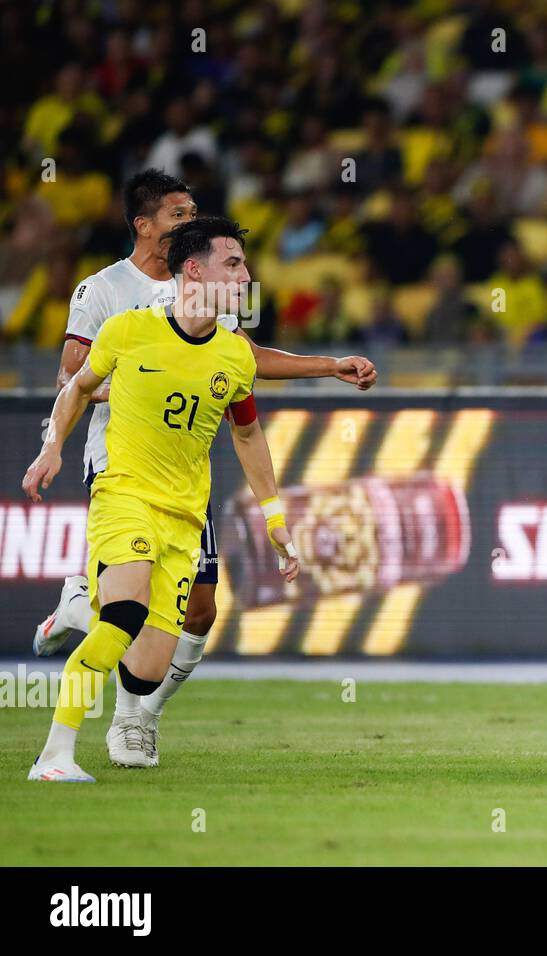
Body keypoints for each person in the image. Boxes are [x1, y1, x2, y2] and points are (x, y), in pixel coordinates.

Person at [33, 169, 376, 769]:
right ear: (146, 226)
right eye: (177, 213)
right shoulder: (108, 299)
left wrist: (327, 365)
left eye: (193, 212)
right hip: (118, 464)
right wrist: (61, 436)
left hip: (184, 487)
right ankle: (73, 743)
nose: (189, 222)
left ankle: (121, 676)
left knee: (193, 617)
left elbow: (245, 377)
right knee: (127, 608)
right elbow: (73, 379)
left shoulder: (216, 326)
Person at [23, 216, 301, 782]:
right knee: (125, 613)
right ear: (193, 270)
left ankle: (82, 608)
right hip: (123, 492)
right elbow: (74, 389)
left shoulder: (235, 356)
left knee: (145, 668)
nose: (246, 274)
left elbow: (247, 435)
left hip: (184, 517)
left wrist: (276, 521)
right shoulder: (127, 330)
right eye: (234, 263)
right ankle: (54, 757)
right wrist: (52, 447)